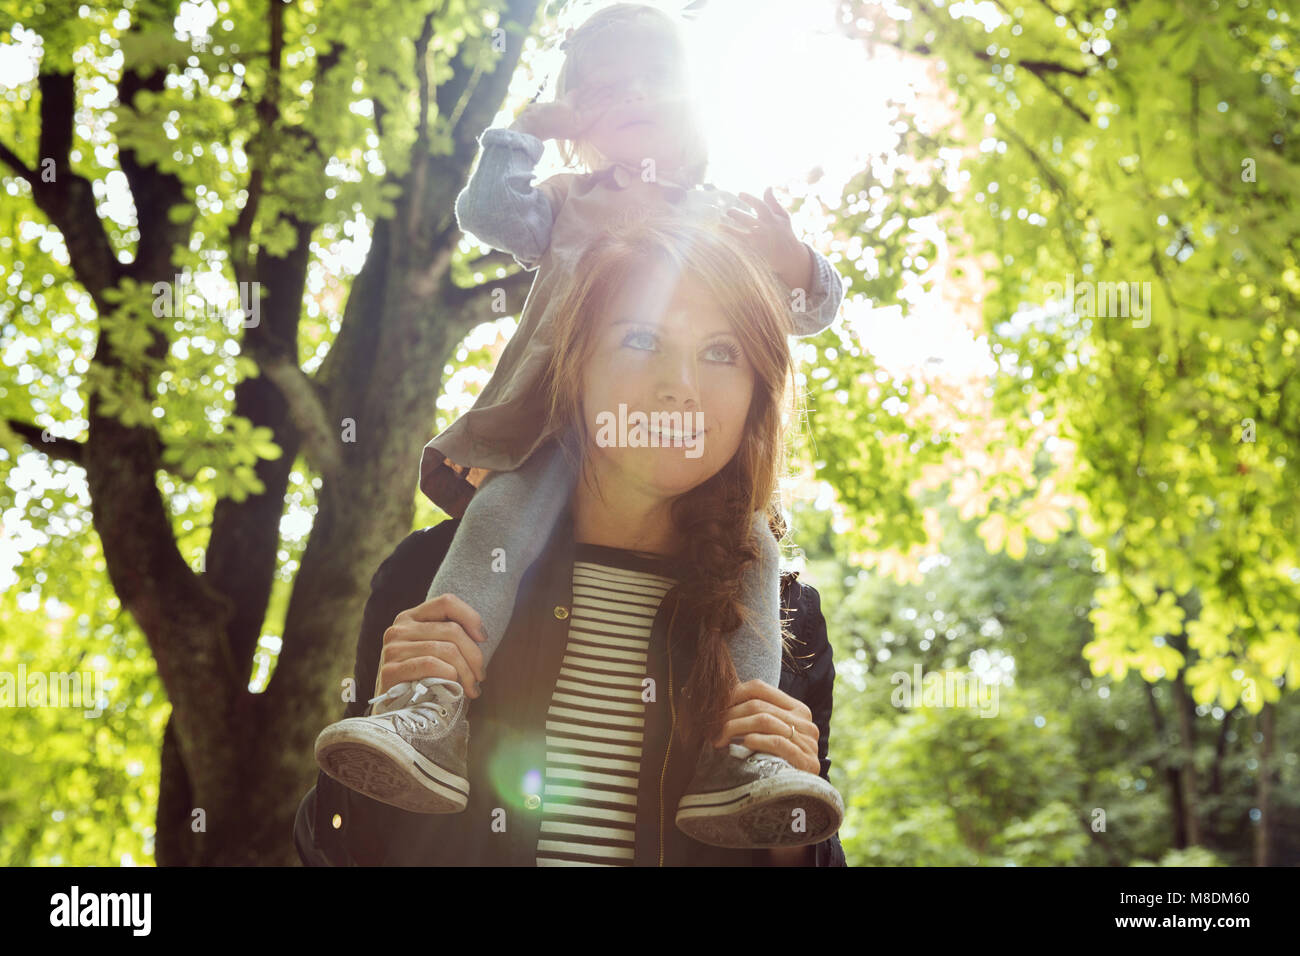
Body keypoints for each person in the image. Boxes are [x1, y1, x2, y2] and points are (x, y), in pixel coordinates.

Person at [315, 2, 847, 847]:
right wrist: (529, 126)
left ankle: (740, 762)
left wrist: (789, 829)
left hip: (758, 739)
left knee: (755, 546)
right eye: (607, 86)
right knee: (502, 510)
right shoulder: (569, 201)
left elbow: (811, 307)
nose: (676, 385)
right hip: (548, 427)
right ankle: (428, 708)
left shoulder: (789, 622)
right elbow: (489, 212)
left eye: (717, 354)